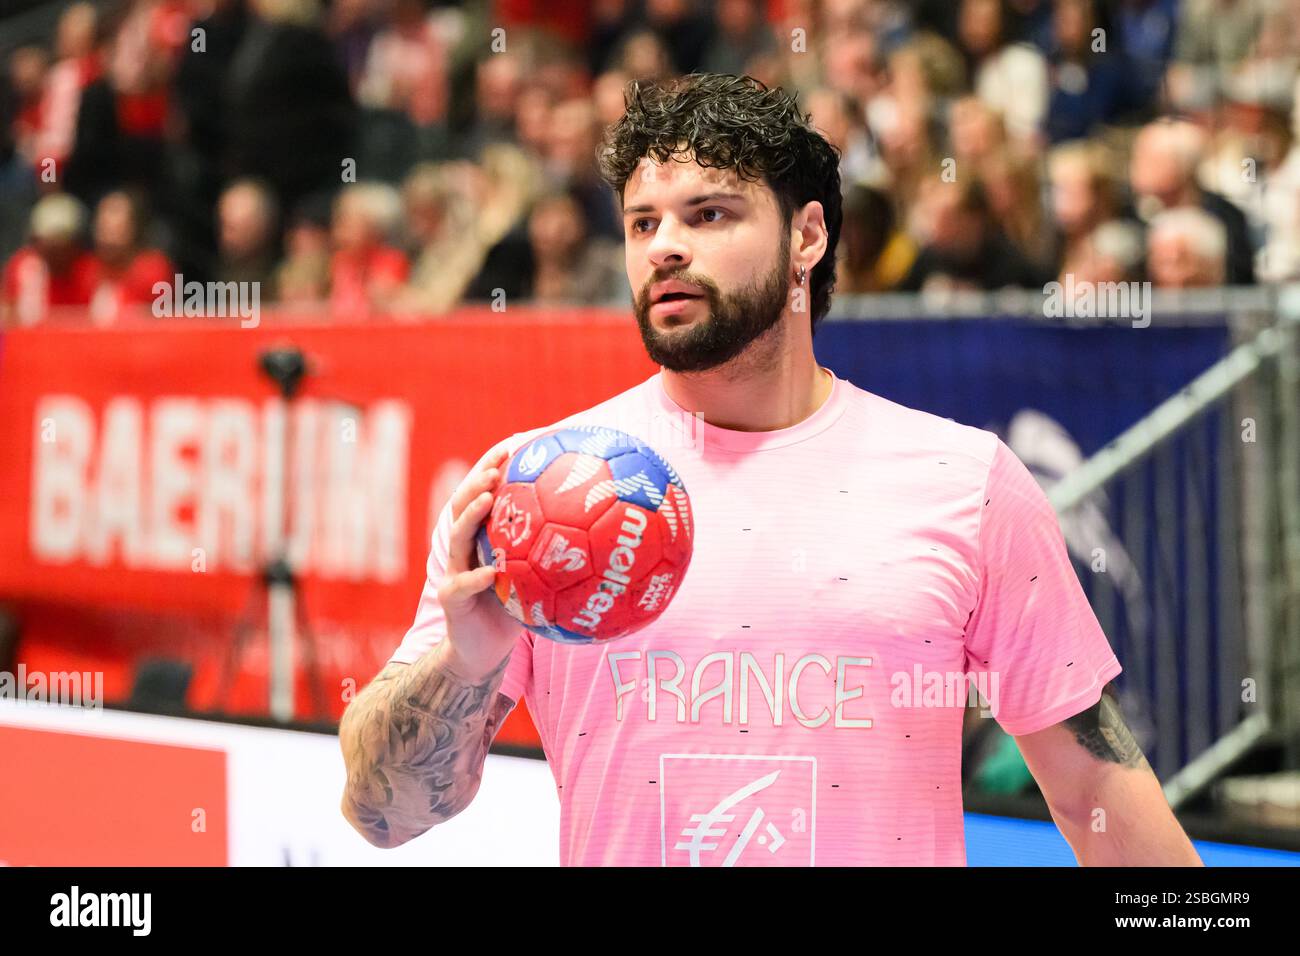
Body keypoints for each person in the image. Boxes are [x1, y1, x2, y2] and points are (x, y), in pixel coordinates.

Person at [339, 73, 1203, 867]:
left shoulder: (962, 480)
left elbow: (1093, 786)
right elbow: (385, 816)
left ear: (808, 235)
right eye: (644, 223)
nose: (665, 248)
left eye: (709, 215)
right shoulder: (539, 492)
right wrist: (465, 661)